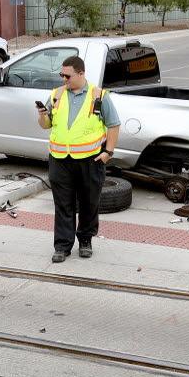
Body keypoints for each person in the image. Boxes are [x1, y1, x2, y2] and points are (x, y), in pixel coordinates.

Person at [37, 56, 120, 263]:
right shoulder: (56, 95)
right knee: (63, 204)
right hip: (59, 159)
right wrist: (42, 115)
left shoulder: (98, 96)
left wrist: (108, 153)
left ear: (81, 73)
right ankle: (62, 246)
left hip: (90, 160)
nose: (63, 79)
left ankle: (85, 240)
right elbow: (46, 125)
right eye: (61, 75)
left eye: (67, 76)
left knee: (88, 203)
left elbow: (113, 124)